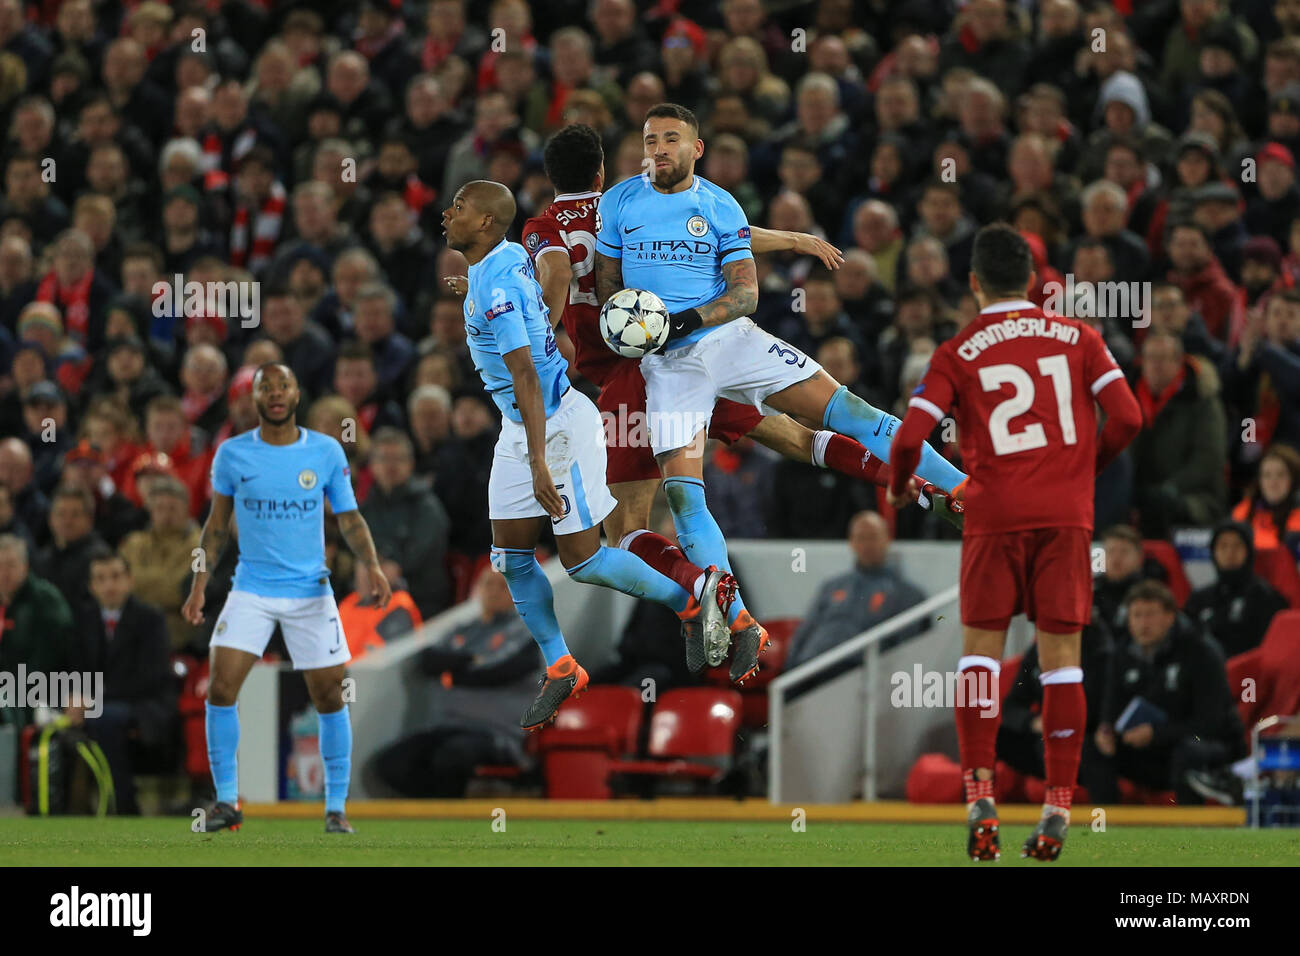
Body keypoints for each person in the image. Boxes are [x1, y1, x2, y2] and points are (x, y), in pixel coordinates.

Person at [591, 105, 968, 676]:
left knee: (849, 409)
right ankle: (737, 619)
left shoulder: (720, 204)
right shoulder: (619, 202)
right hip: (666, 366)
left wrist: (685, 321)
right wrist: (627, 325)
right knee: (687, 496)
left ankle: (963, 490)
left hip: (731, 340)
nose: (659, 148)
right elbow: (608, 282)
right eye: (651, 140)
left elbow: (745, 295)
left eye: (672, 138)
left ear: (697, 147)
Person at [887, 224, 1142, 861]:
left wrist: (897, 488)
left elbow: (908, 437)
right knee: (1063, 662)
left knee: (979, 659)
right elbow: (1131, 417)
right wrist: (1084, 471)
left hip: (992, 517)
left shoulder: (958, 348)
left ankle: (980, 799)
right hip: (1064, 517)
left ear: (973, 283)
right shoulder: (1080, 336)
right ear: (1032, 280)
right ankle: (1058, 807)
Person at [440, 178, 733, 730]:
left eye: (458, 207)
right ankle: (561, 665)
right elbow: (534, 288)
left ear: (484, 222)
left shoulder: (497, 282)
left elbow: (525, 375)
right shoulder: (499, 260)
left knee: (584, 560)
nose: (446, 213)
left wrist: (537, 462)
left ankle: (691, 604)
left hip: (554, 426)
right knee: (510, 559)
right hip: (521, 425)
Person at [181, 362, 395, 835]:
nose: (276, 393)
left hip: (310, 592)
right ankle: (226, 802)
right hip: (251, 588)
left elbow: (350, 517)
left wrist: (373, 565)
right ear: (253, 399)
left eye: (284, 385)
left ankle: (336, 808)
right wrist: (199, 585)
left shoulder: (323, 451)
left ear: (297, 394)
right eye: (266, 387)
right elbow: (215, 528)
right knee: (220, 687)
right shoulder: (232, 455)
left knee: (329, 695)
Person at [375, 569, 540, 797]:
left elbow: (504, 671)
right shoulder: (463, 630)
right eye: (487, 585)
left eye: (502, 586)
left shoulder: (527, 632)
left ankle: (450, 821)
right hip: (446, 726)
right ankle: (433, 816)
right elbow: (428, 662)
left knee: (451, 757)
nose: (493, 592)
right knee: (392, 763)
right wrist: (473, 660)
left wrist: (453, 672)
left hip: (495, 732)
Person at [1093, 581, 1247, 805]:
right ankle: (1105, 826)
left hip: (1208, 745)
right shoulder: (1121, 653)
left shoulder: (1201, 652)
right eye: (1136, 615)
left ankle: (1191, 832)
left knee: (1188, 751)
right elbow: (1110, 707)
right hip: (1149, 749)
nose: (1143, 623)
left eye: (1151, 615)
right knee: (1093, 748)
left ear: (1170, 617)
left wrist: (1156, 733)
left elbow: (1209, 723)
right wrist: (1105, 730)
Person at [70, 550, 175, 815]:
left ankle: (124, 804)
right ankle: (64, 807)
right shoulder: (84, 621)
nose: (109, 585)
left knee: (104, 717)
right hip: (101, 706)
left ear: (130, 581)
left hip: (145, 706)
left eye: (116, 577)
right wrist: (73, 698)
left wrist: (91, 700)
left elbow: (148, 678)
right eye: (101, 579)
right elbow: (76, 667)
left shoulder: (151, 620)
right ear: (92, 586)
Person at [785, 511, 926, 670]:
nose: (867, 545)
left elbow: (905, 650)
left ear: (887, 539)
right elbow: (806, 629)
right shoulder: (832, 586)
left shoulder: (906, 594)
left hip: (853, 672)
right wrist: (789, 667)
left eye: (873, 537)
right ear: (851, 543)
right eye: (860, 538)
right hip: (808, 666)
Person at [1184, 520, 1287, 659]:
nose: (1229, 553)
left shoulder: (1267, 598)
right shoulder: (1198, 599)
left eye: (1237, 546)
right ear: (1213, 552)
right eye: (1223, 546)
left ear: (1249, 552)